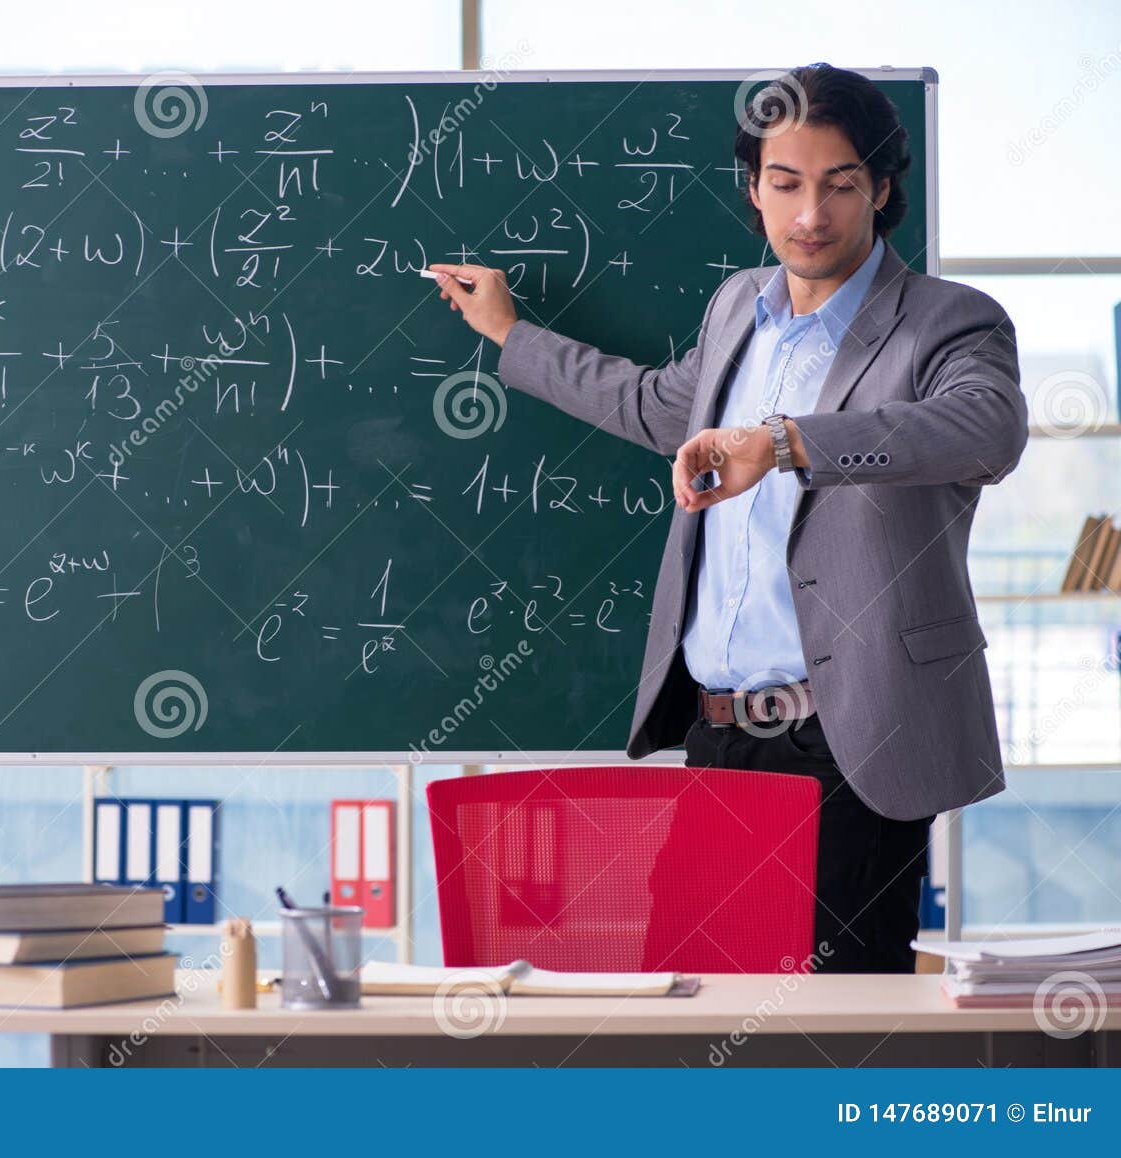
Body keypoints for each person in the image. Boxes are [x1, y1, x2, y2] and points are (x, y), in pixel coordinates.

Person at [430, 63, 1027, 973]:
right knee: (695, 1014)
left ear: (884, 188)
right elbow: (652, 406)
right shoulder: (734, 308)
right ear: (753, 188)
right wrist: (514, 336)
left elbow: (984, 429)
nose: (810, 216)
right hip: (718, 739)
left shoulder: (948, 321)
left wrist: (787, 443)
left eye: (840, 186)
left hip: (855, 738)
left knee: (825, 1040)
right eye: (785, 185)